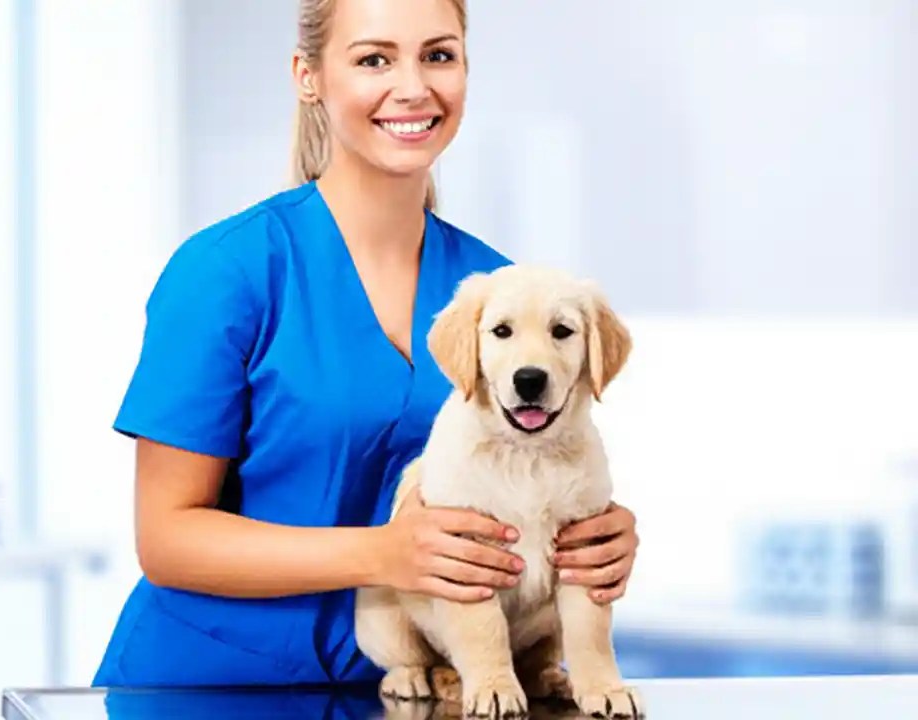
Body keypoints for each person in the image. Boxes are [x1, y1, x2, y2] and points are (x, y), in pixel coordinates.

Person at [91, 0, 639, 688]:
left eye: (438, 55)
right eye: (374, 58)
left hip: (398, 690)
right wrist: (384, 555)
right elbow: (166, 539)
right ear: (309, 76)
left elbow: (528, 474)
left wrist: (591, 540)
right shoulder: (226, 271)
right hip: (208, 685)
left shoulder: (494, 297)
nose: (413, 86)